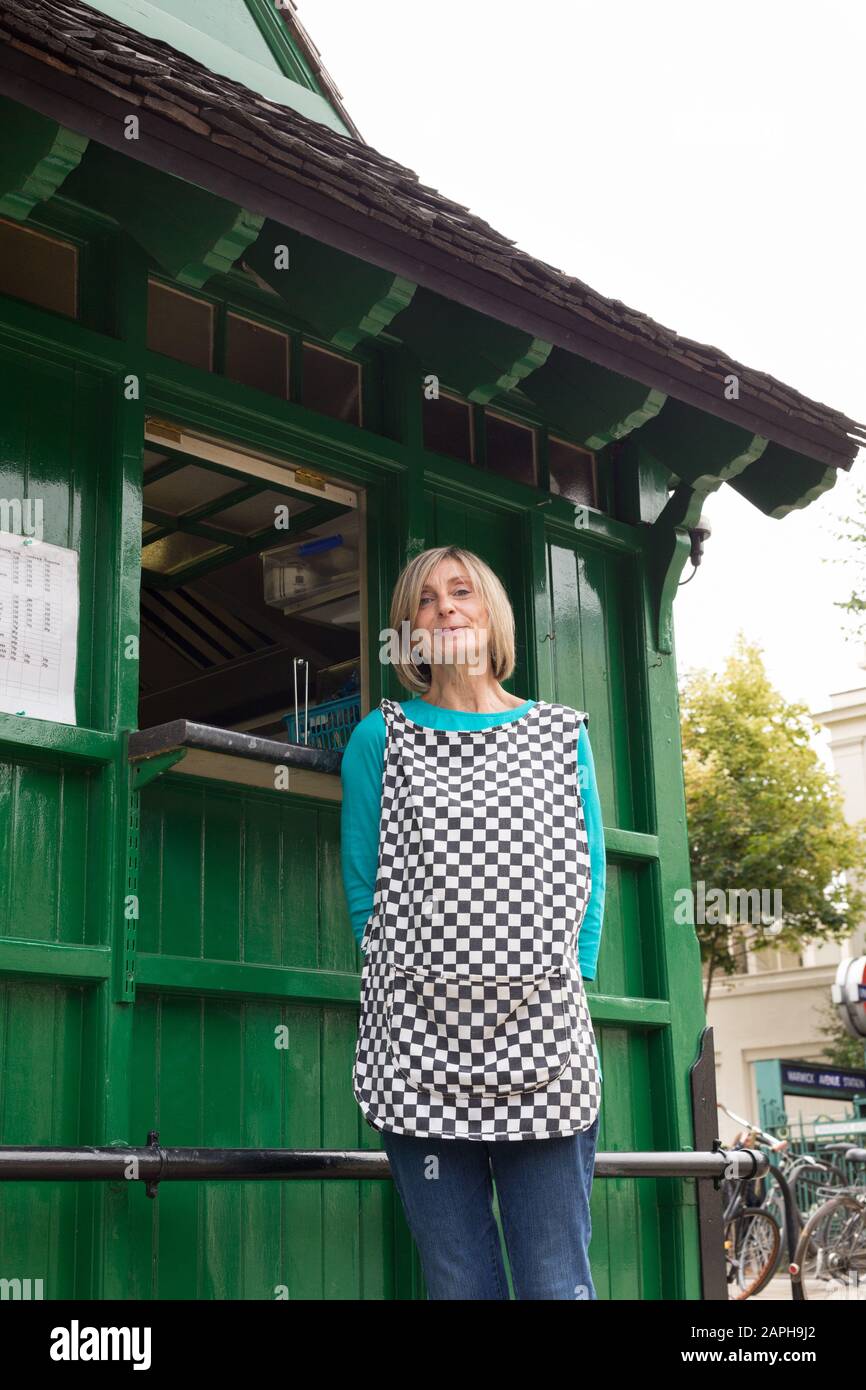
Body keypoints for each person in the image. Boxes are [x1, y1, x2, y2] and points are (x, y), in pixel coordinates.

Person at [340, 545, 606, 1299]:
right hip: (421, 1053)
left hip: (541, 1053)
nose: (446, 607)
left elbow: (589, 872)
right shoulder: (380, 738)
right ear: (409, 631)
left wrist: (556, 991)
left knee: (557, 1286)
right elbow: (365, 890)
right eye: (425, 600)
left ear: (492, 614)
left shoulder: (561, 735)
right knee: (460, 1289)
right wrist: (418, 987)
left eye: (462, 592)